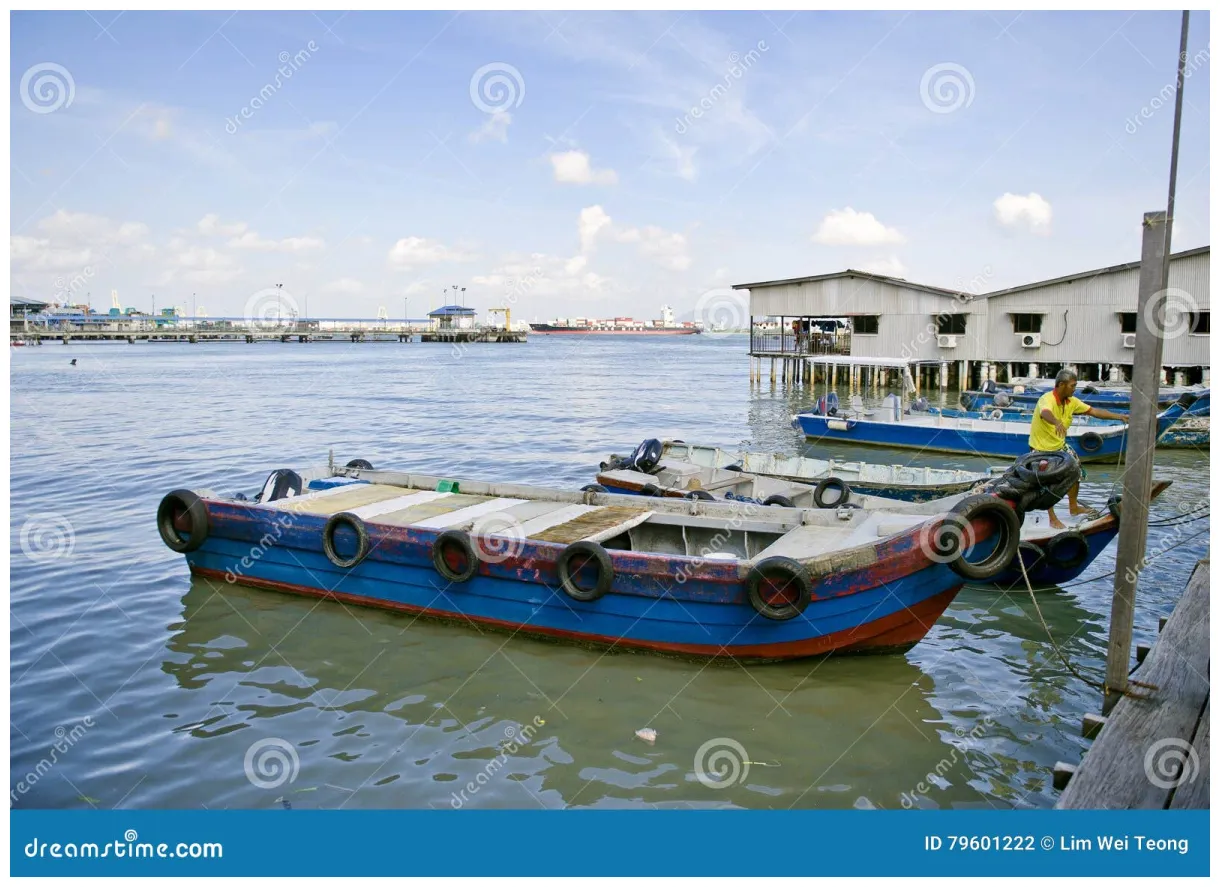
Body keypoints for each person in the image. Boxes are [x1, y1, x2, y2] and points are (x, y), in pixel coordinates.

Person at [1028, 369, 1128, 528]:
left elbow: (1094, 411)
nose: (1075, 389)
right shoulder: (1046, 399)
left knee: (1077, 473)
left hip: (1060, 446)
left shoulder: (1071, 402)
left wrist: (1119, 416)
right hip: (1041, 450)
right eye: (1073, 385)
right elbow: (1045, 412)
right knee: (1048, 482)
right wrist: (1056, 422)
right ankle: (1052, 517)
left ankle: (1073, 507)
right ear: (1061, 385)